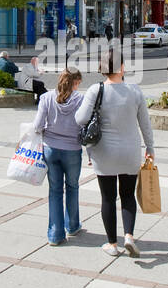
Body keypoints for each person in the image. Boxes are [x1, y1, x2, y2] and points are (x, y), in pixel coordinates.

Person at [76, 47, 154, 257]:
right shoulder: (135, 91)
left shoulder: (96, 90)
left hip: (104, 152)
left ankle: (112, 244)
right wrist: (150, 147)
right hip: (130, 152)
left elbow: (80, 119)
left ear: (102, 68)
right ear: (122, 67)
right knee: (128, 195)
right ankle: (129, 235)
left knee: (108, 198)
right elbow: (145, 124)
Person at [34, 67, 85, 245]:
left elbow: (37, 125)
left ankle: (55, 234)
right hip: (72, 149)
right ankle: (72, 226)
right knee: (72, 187)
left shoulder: (46, 98)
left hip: (50, 149)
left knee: (55, 191)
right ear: (76, 82)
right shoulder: (81, 99)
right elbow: (85, 124)